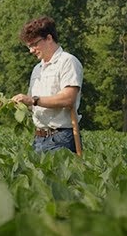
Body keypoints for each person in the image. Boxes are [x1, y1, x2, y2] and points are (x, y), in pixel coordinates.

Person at [11, 16, 83, 154]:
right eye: (29, 46)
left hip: (61, 138)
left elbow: (68, 98)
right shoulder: (37, 69)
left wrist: (33, 100)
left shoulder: (68, 62)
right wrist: (18, 104)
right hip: (39, 138)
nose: (31, 50)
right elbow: (33, 104)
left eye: (34, 44)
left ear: (49, 38)